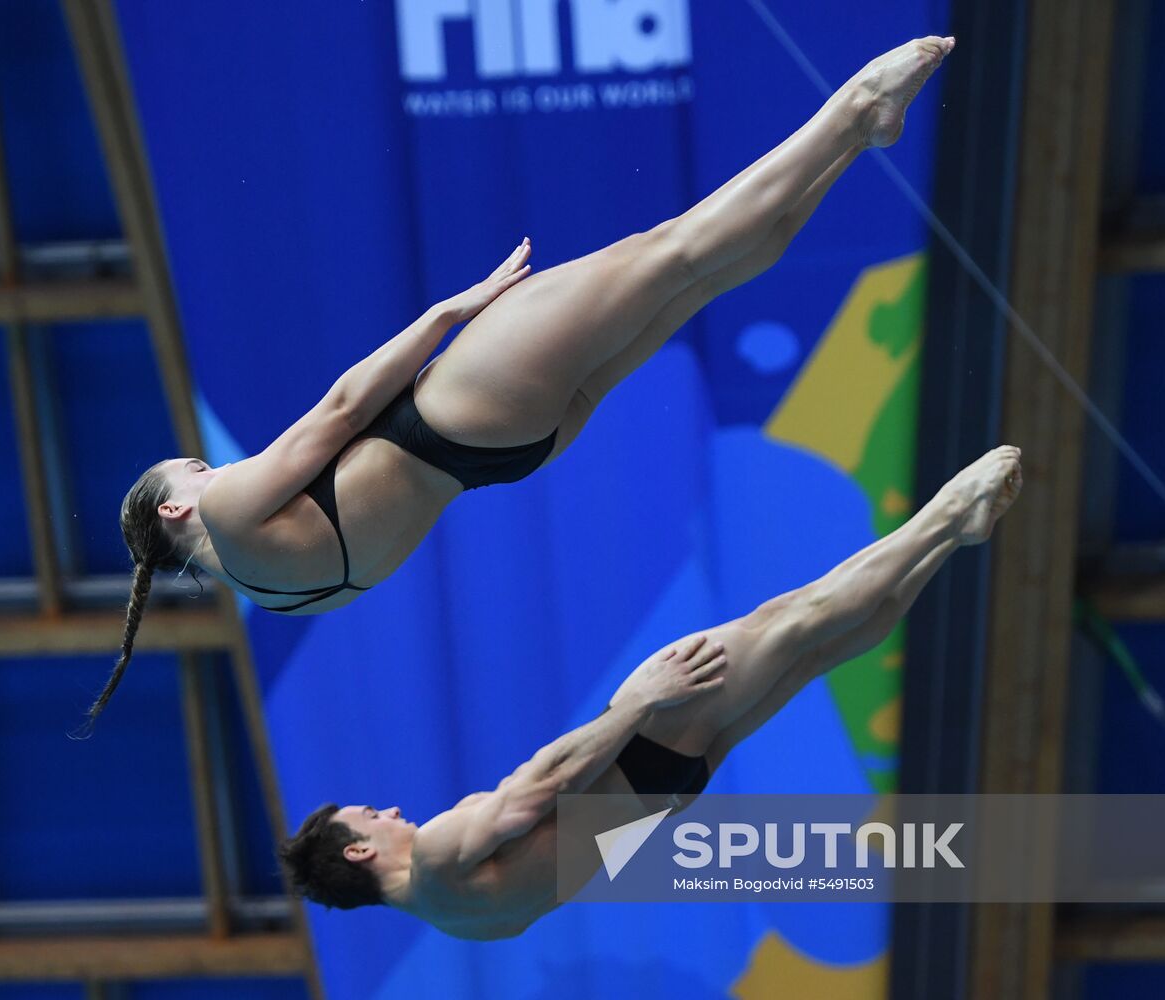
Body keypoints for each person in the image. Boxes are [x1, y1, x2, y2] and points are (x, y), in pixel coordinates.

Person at [102, 36, 957, 726]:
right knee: (675, 251)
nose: (214, 476)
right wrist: (452, 313)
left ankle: (855, 140)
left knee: (698, 278)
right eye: (199, 470)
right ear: (179, 508)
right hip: (458, 407)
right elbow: (342, 407)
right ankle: (851, 111)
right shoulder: (227, 512)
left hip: (507, 454)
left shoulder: (281, 599)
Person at [279, 447, 1022, 940]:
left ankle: (956, 537)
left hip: (663, 793)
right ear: (363, 848)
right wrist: (642, 702)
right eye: (374, 814)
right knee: (793, 620)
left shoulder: (463, 923)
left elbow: (572, 853)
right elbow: (540, 789)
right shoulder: (439, 855)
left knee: (812, 653)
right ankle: (953, 510)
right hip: (642, 746)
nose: (394, 808)